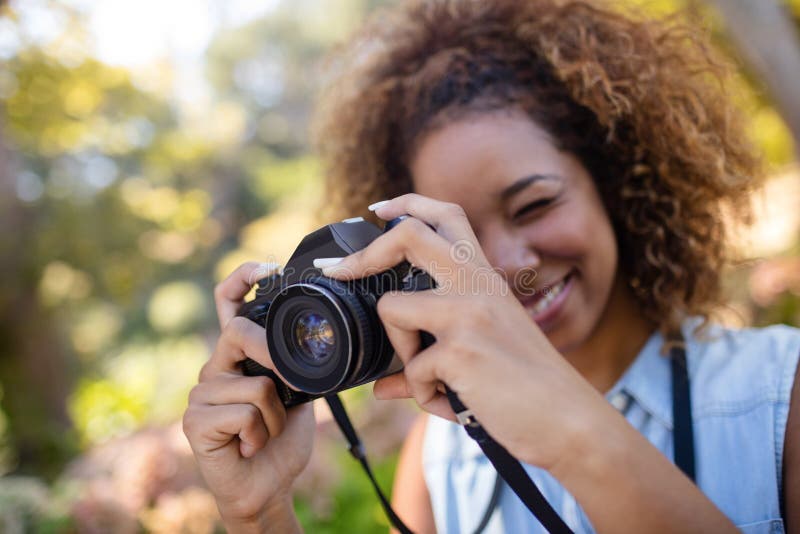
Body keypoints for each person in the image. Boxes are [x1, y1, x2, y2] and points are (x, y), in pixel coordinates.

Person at [182, 0, 800, 532]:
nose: (503, 266)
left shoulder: (777, 398)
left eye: (535, 205)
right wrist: (259, 515)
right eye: (457, 237)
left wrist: (571, 427)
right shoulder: (444, 458)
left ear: (616, 180)